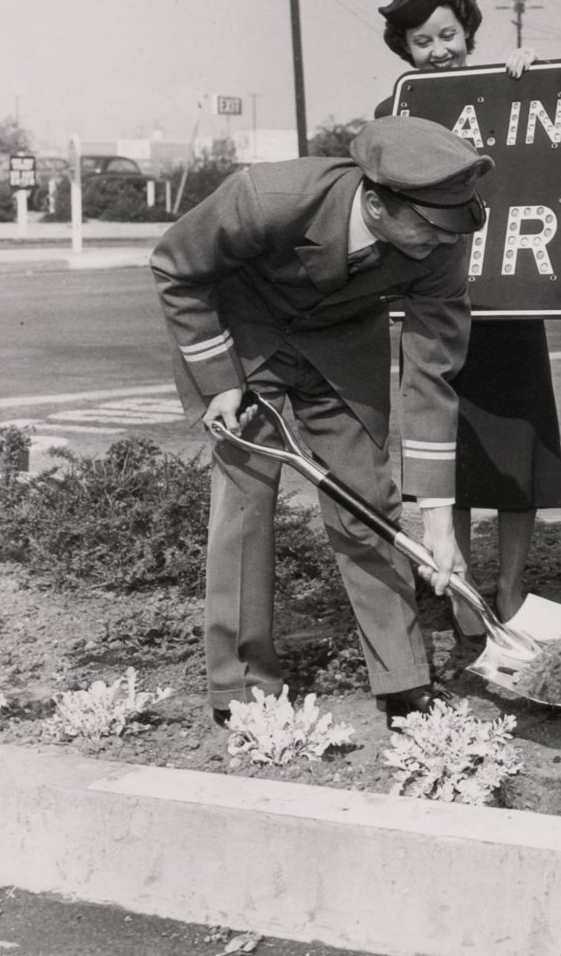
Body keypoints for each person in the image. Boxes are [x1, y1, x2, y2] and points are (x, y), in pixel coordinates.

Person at [151, 116, 490, 728]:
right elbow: (177, 266)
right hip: (246, 339)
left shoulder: (443, 238)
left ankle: (402, 679)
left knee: (369, 500)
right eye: (428, 227)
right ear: (378, 205)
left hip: (342, 347)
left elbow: (431, 377)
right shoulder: (268, 196)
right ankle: (241, 684)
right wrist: (219, 380)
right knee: (245, 500)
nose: (442, 241)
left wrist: (439, 524)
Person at [376, 0, 561, 646]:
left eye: (448, 35)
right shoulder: (396, 115)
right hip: (439, 310)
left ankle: (512, 587)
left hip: (511, 303)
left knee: (520, 453)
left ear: (469, 32)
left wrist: (529, 78)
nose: (439, 50)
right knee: (453, 454)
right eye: (422, 41)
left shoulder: (511, 90)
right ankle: (463, 587)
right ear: (406, 51)